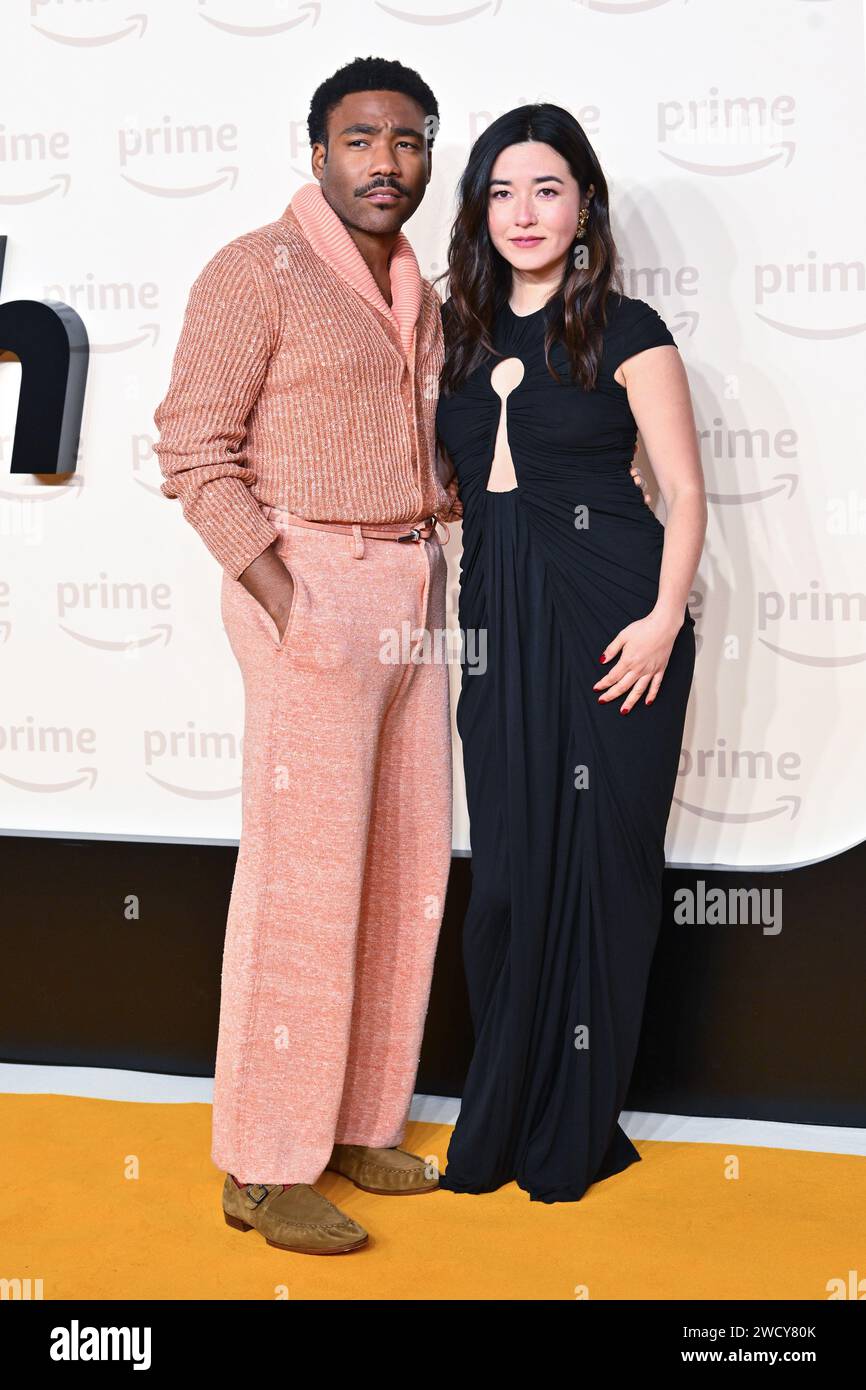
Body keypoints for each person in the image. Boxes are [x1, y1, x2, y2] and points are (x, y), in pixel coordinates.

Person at [152, 56, 462, 1255]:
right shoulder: (255, 269)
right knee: (303, 882)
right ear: (316, 148)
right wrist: (285, 596)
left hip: (414, 582)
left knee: (404, 865)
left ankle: (353, 1121)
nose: (385, 163)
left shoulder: (416, 289)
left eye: (407, 140)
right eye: (359, 140)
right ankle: (263, 1164)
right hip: (312, 584)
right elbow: (192, 448)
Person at [434, 103, 705, 1203]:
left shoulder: (627, 328)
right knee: (503, 877)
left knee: (601, 872)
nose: (523, 212)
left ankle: (571, 1125)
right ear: (478, 212)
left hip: (616, 625)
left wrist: (661, 617)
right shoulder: (454, 333)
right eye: (500, 191)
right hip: (498, 620)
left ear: (583, 203)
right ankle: (498, 1112)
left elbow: (682, 491)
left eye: (545, 189)